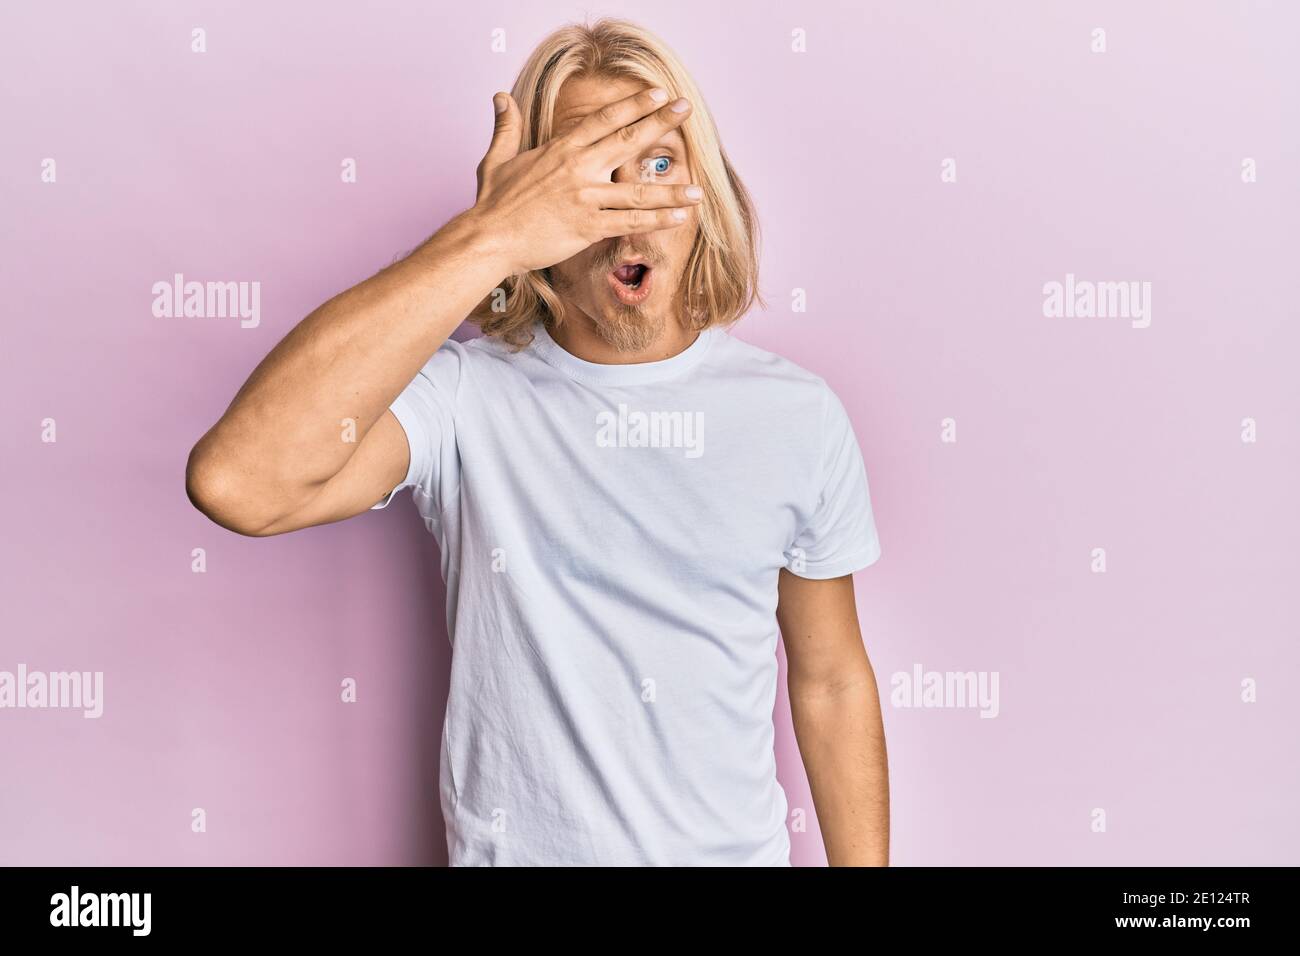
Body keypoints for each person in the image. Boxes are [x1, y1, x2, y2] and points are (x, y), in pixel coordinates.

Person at [186, 18, 888, 866]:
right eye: (587, 181)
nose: (629, 215)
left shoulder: (796, 416)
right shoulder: (464, 398)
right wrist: (489, 237)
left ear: (705, 191)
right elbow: (237, 484)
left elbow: (832, 679)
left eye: (657, 165)